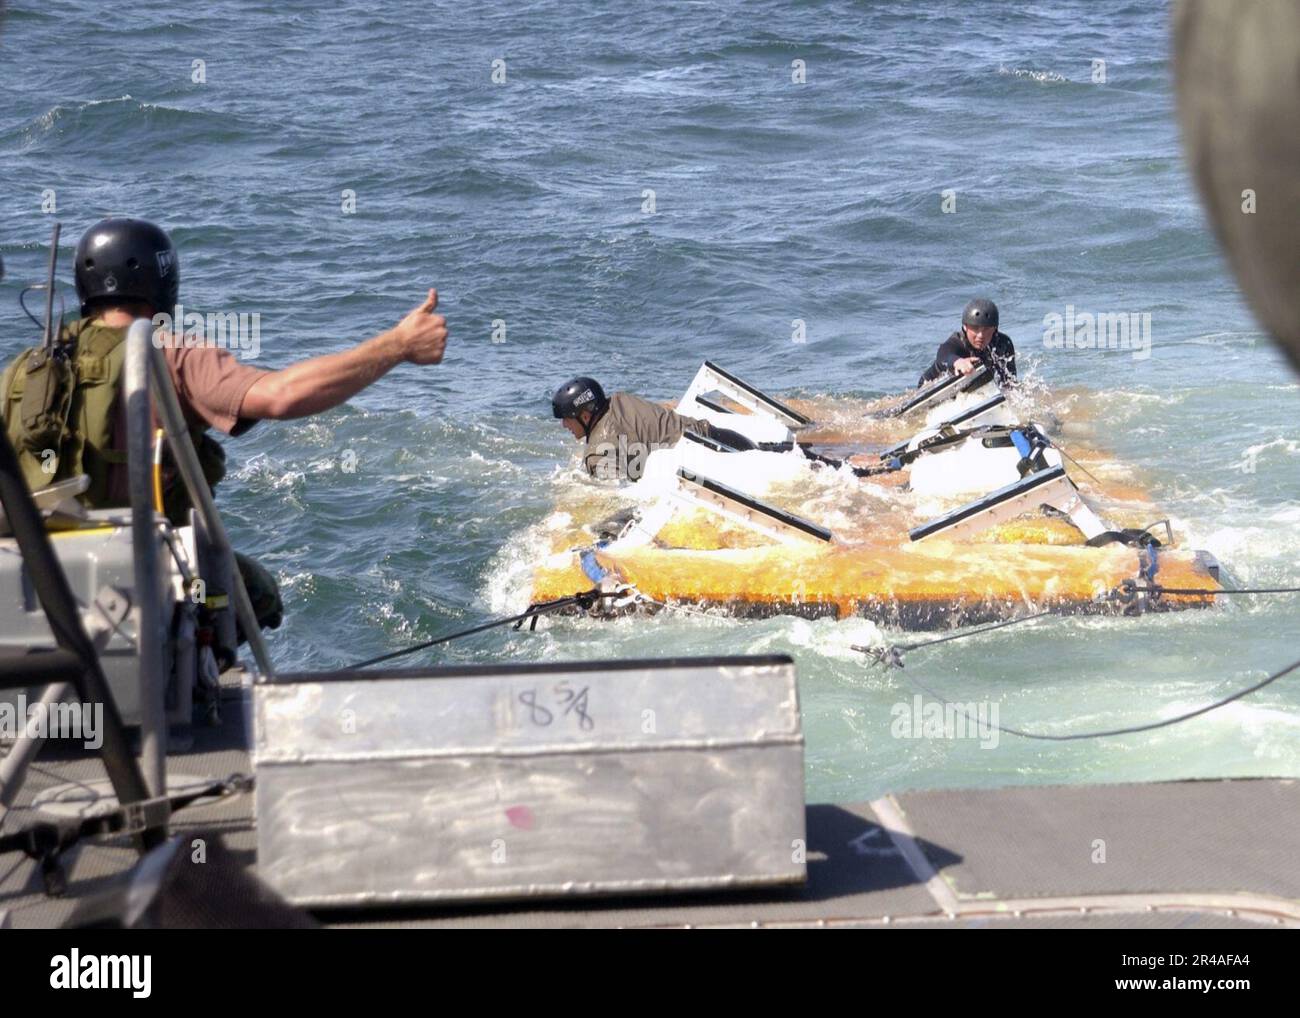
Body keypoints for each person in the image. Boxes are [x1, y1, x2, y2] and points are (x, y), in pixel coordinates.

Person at [1, 216, 449, 636]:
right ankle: (202, 697)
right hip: (140, 574)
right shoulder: (166, 356)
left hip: (32, 578)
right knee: (259, 594)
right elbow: (282, 395)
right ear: (161, 285)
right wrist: (396, 346)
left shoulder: (22, 371)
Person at [551, 377, 755, 482]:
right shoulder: (621, 400)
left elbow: (617, 497)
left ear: (585, 416)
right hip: (720, 437)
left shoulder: (597, 454)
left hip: (709, 466)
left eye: (567, 419)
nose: (564, 425)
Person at [918, 297, 1016, 386]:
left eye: (986, 329)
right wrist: (957, 361)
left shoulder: (1003, 344)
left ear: (995, 328)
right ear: (965, 327)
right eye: (975, 328)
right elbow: (942, 355)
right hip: (928, 386)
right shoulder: (957, 342)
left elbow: (1009, 383)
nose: (980, 335)